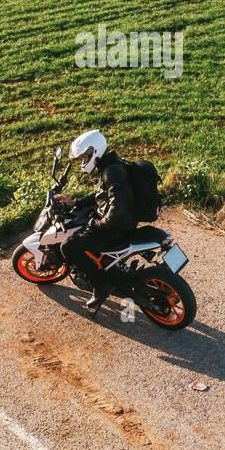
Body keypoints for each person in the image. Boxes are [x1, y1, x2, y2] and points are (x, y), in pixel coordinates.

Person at [59, 128, 137, 314]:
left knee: (69, 247)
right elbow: (101, 194)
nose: (83, 162)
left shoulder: (112, 172)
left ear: (95, 151)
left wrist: (99, 224)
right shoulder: (111, 166)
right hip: (123, 221)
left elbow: (116, 209)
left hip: (118, 226)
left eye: (85, 157)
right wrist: (76, 203)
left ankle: (100, 285)